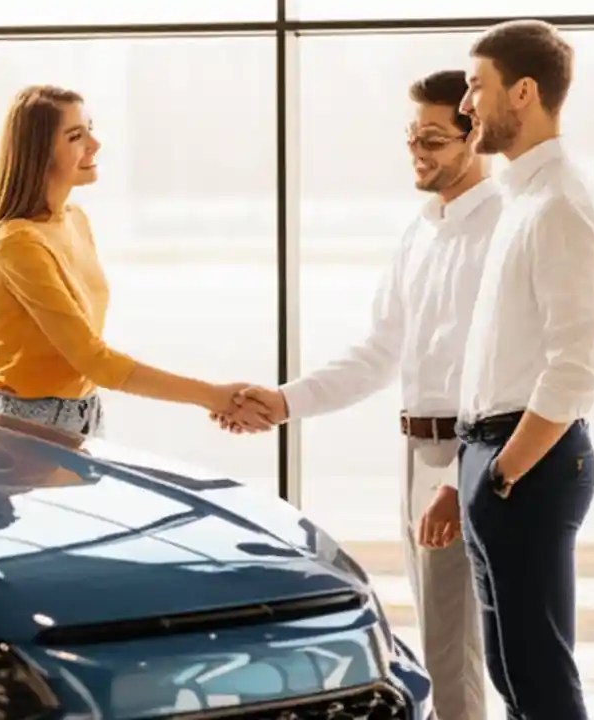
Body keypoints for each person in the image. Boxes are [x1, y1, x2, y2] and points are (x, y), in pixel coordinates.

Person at [215, 70, 496, 720]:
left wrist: (457, 478)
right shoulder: (422, 231)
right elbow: (378, 353)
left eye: (433, 139)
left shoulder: (500, 230)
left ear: (472, 136)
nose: (418, 153)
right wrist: (284, 402)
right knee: (440, 645)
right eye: (411, 138)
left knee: (456, 657)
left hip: (466, 452)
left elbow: (498, 372)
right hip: (415, 453)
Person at [455, 19, 594, 720]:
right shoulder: (521, 199)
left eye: (475, 87)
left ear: (522, 92)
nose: (464, 105)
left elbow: (574, 371)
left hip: (527, 464)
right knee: (514, 679)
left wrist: (505, 473)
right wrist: (474, 467)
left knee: (539, 683)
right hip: (495, 456)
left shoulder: (558, 205)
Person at [0, 84, 266, 435]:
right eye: (75, 136)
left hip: (84, 410)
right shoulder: (17, 243)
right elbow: (94, 360)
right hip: (32, 420)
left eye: (90, 129)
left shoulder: (75, 220)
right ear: (39, 152)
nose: (95, 144)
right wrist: (212, 396)